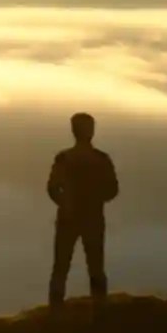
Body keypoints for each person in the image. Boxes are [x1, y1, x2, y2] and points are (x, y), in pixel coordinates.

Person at [46, 112, 118, 308]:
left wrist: (66, 202)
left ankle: (58, 311)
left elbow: (53, 188)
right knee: (89, 267)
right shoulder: (100, 159)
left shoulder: (67, 158)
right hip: (87, 218)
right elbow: (112, 189)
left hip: (74, 217)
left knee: (65, 267)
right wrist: (92, 199)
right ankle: (98, 309)